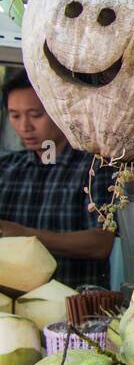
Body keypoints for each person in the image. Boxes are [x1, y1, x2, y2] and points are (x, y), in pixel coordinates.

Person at [0, 70, 116, 288]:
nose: (25, 127)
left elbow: (101, 243)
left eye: (35, 115)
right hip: (12, 308)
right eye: (15, 116)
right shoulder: (6, 170)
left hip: (77, 308)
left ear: (60, 112)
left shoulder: (95, 167)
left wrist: (25, 235)